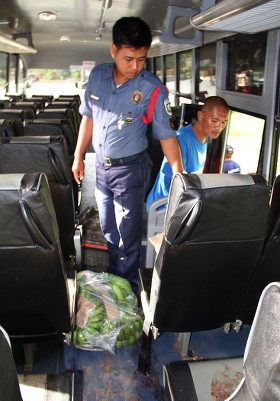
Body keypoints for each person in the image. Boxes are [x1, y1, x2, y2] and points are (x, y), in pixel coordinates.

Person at [72, 17, 183, 294]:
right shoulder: (97, 77)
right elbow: (88, 119)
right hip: (100, 167)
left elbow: (166, 134)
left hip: (130, 170)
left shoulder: (151, 88)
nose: (135, 67)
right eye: (128, 58)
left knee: (129, 235)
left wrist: (179, 174)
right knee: (109, 228)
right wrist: (77, 157)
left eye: (142, 59)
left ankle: (127, 291)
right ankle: (115, 278)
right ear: (113, 51)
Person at [146, 96, 229, 211]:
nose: (219, 127)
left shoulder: (203, 139)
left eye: (223, 123)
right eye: (214, 121)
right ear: (201, 116)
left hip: (180, 205)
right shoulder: (182, 140)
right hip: (164, 209)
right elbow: (176, 184)